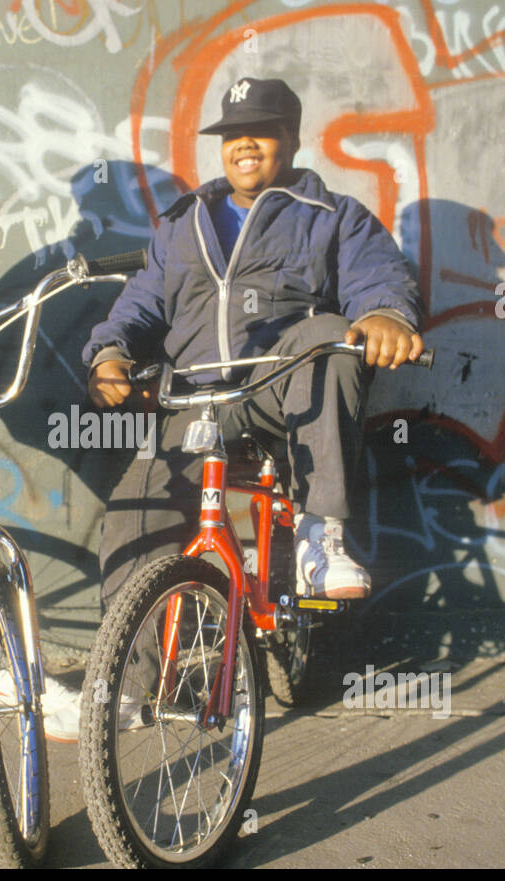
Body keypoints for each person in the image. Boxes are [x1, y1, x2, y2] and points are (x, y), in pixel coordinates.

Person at [83, 76, 426, 617]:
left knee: (331, 335)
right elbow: (140, 303)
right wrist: (110, 352)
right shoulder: (181, 222)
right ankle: (127, 689)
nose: (244, 144)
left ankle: (321, 533)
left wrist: (385, 317)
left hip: (280, 390)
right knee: (136, 515)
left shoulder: (333, 216)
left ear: (289, 139)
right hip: (193, 403)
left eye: (260, 132)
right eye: (232, 134)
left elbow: (379, 280)